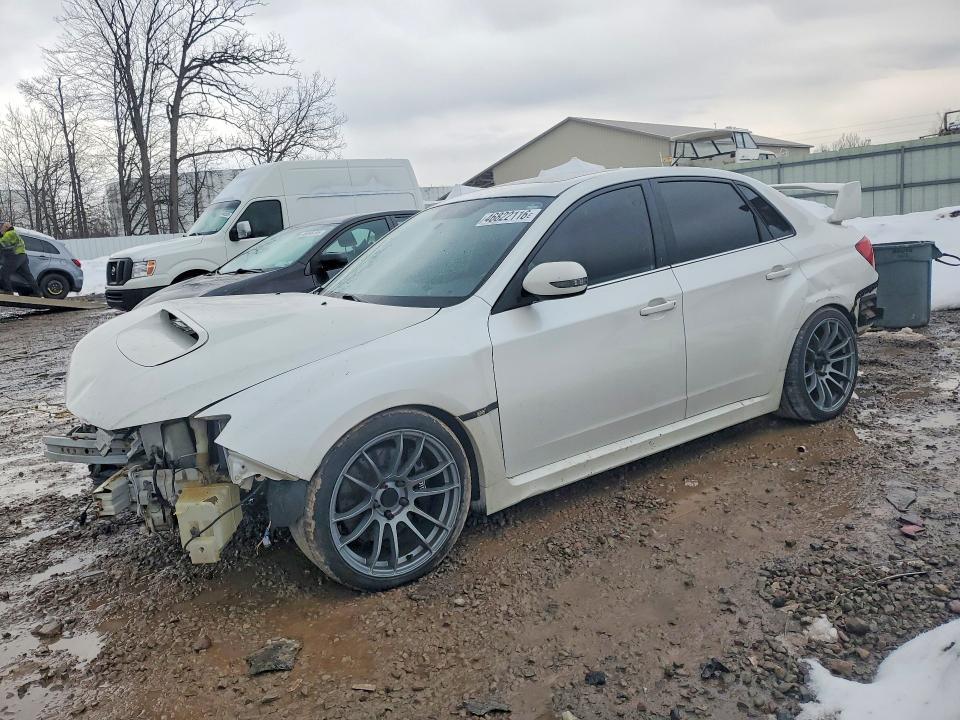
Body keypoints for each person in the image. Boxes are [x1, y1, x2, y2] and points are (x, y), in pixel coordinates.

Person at [0, 222, 42, 296]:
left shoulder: (9, 234)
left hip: (15, 256)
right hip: (22, 256)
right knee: (28, 276)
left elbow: (2, 242)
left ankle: (8, 291)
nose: (1, 229)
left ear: (6, 227)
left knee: (4, 272)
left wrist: (0, 235)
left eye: (2, 227)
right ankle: (38, 292)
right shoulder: (15, 233)